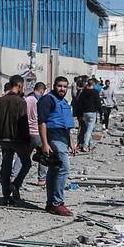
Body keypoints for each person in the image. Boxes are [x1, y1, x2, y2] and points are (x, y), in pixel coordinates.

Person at [38, 76, 76, 216]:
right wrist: (45, 144)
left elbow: (66, 123)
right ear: (54, 86)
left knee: (54, 170)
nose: (62, 89)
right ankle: (58, 202)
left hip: (63, 137)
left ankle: (50, 203)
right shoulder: (47, 99)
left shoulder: (64, 101)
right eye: (60, 86)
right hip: (53, 136)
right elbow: (42, 122)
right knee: (64, 168)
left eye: (65, 87)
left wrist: (71, 141)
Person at [0, 77, 32, 206]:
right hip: (17, 139)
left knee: (6, 167)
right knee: (26, 163)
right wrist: (27, 141)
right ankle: (15, 184)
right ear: (20, 85)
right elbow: (23, 123)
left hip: (3, 139)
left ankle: (5, 195)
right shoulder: (21, 102)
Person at [73, 75, 101, 152]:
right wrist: (101, 112)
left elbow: (80, 103)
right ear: (93, 84)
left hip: (84, 113)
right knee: (89, 129)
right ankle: (85, 145)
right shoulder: (95, 92)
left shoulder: (83, 92)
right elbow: (98, 103)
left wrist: (79, 113)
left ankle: (91, 144)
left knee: (87, 128)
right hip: (92, 113)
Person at [26, 82, 46, 184]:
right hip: (36, 132)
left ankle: (14, 176)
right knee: (43, 154)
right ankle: (41, 179)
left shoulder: (26, 99)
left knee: (24, 156)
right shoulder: (39, 100)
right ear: (42, 90)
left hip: (26, 131)